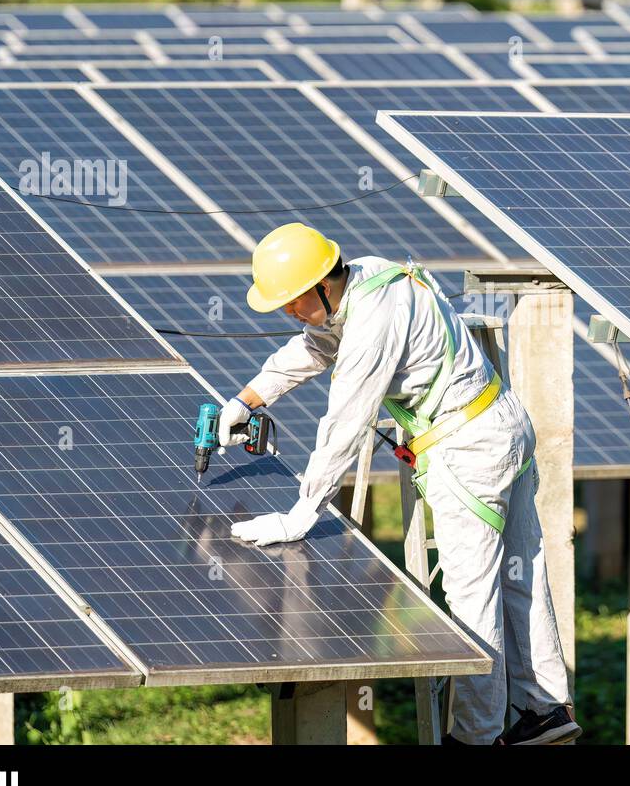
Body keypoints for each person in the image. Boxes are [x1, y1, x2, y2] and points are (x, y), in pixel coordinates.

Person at [222, 223, 580, 746]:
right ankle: (545, 708)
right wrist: (248, 399)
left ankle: (475, 736)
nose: (290, 313)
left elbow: (344, 423)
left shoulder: (371, 326)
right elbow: (313, 348)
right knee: (520, 573)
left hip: (469, 449)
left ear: (324, 282)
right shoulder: (365, 276)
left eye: (295, 301)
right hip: (501, 423)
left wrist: (300, 515)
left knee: (471, 598)